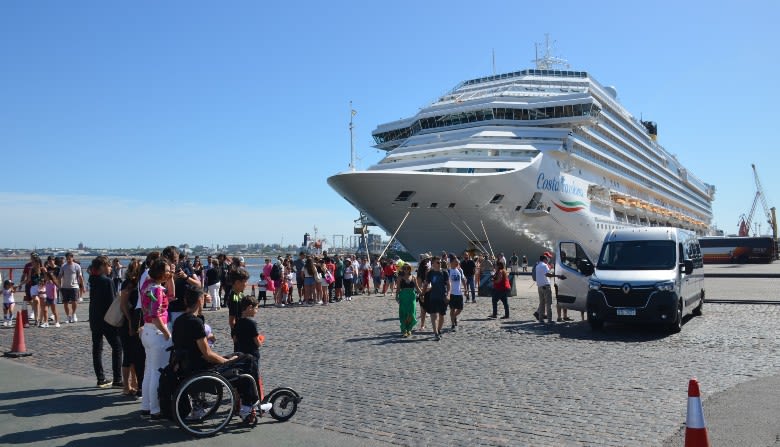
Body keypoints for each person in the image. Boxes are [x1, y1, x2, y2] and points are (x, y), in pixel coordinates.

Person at [172, 285, 269, 421]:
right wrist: (226, 361)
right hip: (201, 366)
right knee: (248, 360)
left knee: (239, 356)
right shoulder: (195, 323)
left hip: (186, 364)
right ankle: (249, 405)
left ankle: (201, 406)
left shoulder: (178, 321)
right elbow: (207, 354)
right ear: (200, 300)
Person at [140, 259, 173, 419]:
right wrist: (166, 332)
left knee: (149, 370)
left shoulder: (146, 285)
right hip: (156, 333)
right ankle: (155, 409)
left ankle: (146, 405)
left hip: (146, 331)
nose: (169, 273)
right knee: (157, 372)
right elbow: (156, 315)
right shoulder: (158, 290)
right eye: (167, 271)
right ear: (160, 273)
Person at [88, 256, 123, 389]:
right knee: (117, 347)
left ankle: (100, 378)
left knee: (97, 348)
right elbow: (112, 302)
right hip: (107, 319)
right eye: (108, 266)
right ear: (102, 266)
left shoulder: (93, 279)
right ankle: (117, 378)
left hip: (94, 318)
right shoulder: (107, 281)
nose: (110, 268)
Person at [119, 259, 145, 398]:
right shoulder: (127, 284)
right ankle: (126, 385)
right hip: (128, 322)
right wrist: (130, 322)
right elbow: (123, 305)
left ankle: (135, 383)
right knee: (128, 354)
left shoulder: (140, 283)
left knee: (136, 355)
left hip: (136, 321)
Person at [422, 256, 450, 341]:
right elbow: (426, 284)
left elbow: (449, 284)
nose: (440, 264)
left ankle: (438, 329)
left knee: (442, 315)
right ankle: (436, 333)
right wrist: (422, 294)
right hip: (433, 296)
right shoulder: (430, 273)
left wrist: (448, 295)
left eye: (440, 262)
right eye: (438, 262)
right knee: (433, 315)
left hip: (443, 297)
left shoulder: (444, 272)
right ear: (433, 263)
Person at [533, 254, 566, 324]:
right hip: (545, 286)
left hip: (539, 286)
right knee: (549, 303)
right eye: (547, 259)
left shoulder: (538, 266)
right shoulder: (544, 265)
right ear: (544, 259)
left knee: (542, 303)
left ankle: (541, 319)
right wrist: (557, 275)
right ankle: (549, 319)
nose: (547, 260)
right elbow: (547, 274)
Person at [58, 252, 85, 323]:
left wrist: (83, 286)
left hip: (74, 286)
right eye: (67, 259)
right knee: (65, 303)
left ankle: (73, 314)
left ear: (72, 258)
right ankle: (68, 316)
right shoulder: (63, 266)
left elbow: (80, 277)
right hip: (65, 287)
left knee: (74, 301)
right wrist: (59, 285)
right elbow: (60, 276)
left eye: (69, 258)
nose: (68, 260)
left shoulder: (77, 266)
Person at [395, 264, 419, 337]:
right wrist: (396, 296)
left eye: (407, 268)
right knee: (404, 313)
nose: (406, 270)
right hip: (403, 296)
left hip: (412, 297)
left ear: (410, 269)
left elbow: (417, 288)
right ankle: (404, 329)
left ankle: (409, 329)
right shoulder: (400, 278)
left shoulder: (414, 277)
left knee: (411, 313)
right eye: (404, 268)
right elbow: (398, 288)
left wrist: (423, 293)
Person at [448, 257, 466, 331]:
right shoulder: (448, 271)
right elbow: (446, 282)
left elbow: (463, 280)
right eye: (456, 261)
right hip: (452, 293)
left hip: (459, 293)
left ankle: (454, 317)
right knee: (452, 309)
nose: (457, 263)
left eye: (458, 261)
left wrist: (466, 289)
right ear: (451, 262)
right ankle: (452, 325)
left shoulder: (460, 270)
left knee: (460, 309)